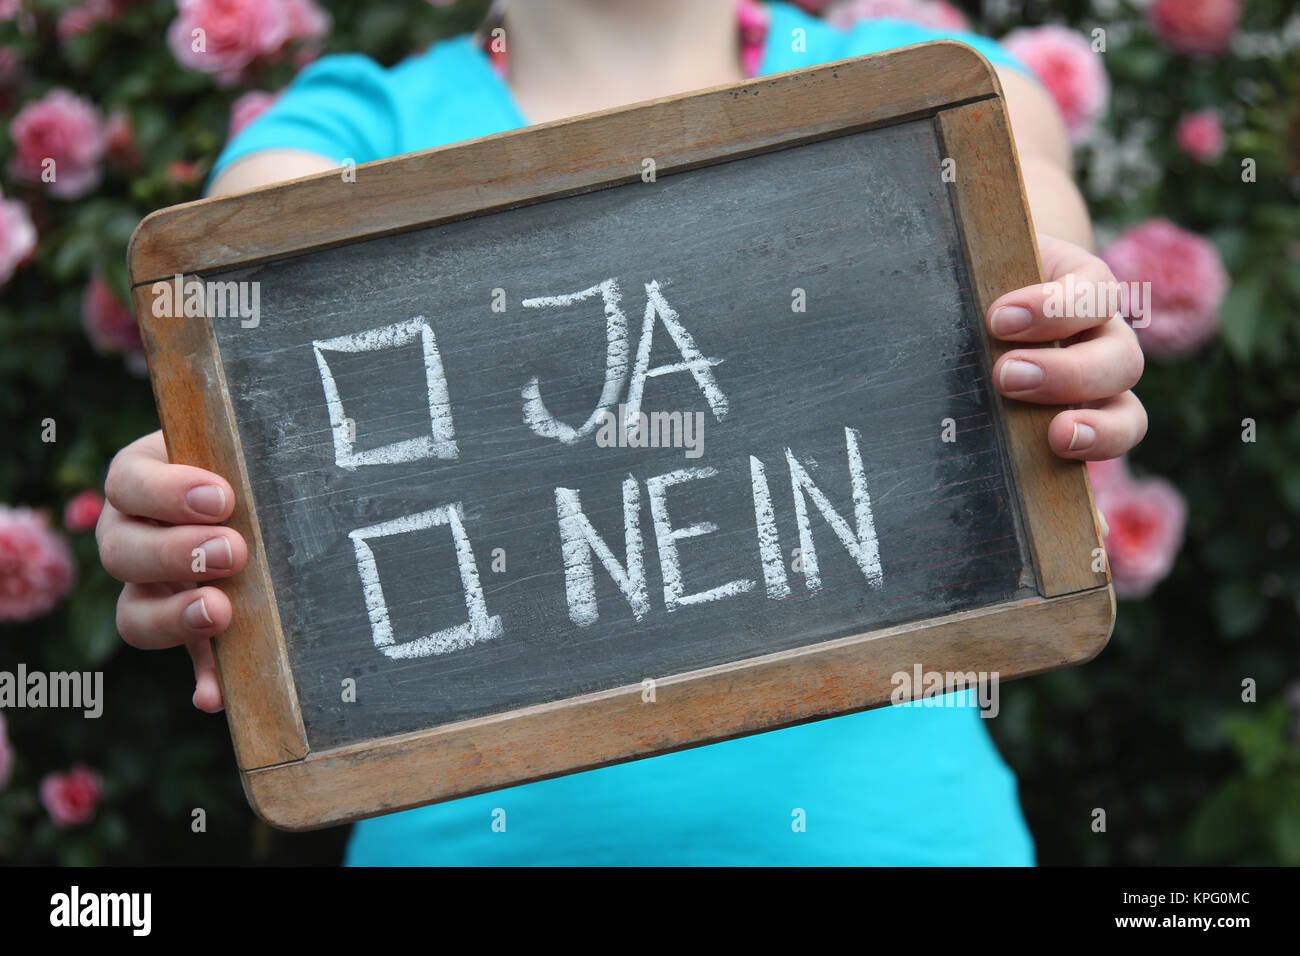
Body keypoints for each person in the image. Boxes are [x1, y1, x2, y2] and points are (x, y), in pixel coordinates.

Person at [97, 0, 1146, 865]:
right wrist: (193, 490)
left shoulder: (913, 84)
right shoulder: (345, 133)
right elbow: (247, 339)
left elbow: (1037, 238)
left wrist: (1071, 331)